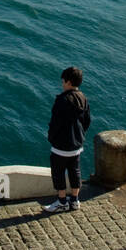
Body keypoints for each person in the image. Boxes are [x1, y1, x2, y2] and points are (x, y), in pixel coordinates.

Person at [40, 67, 91, 213]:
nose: (62, 83)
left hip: (61, 146)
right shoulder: (83, 98)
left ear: (68, 82)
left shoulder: (62, 100)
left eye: (63, 81)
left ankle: (62, 201)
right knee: (75, 171)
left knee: (58, 173)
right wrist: (80, 135)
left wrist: (52, 138)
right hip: (77, 145)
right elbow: (87, 121)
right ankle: (74, 200)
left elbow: (55, 123)